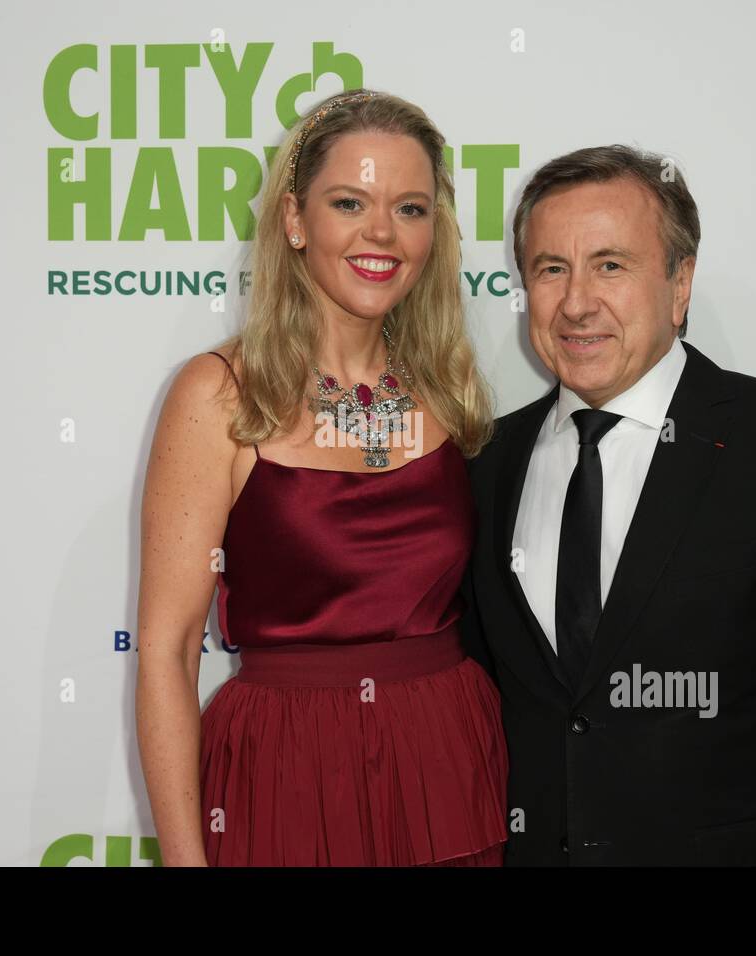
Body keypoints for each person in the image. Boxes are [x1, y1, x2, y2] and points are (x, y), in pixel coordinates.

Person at [460, 144, 756, 866]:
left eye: (610, 265)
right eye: (551, 268)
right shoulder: (488, 462)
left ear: (680, 284)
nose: (576, 301)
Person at [135, 88, 508, 866]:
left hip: (446, 765)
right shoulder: (218, 394)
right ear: (296, 220)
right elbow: (168, 652)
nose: (383, 232)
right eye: (350, 201)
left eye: (411, 208)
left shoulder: (451, 388)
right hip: (284, 771)